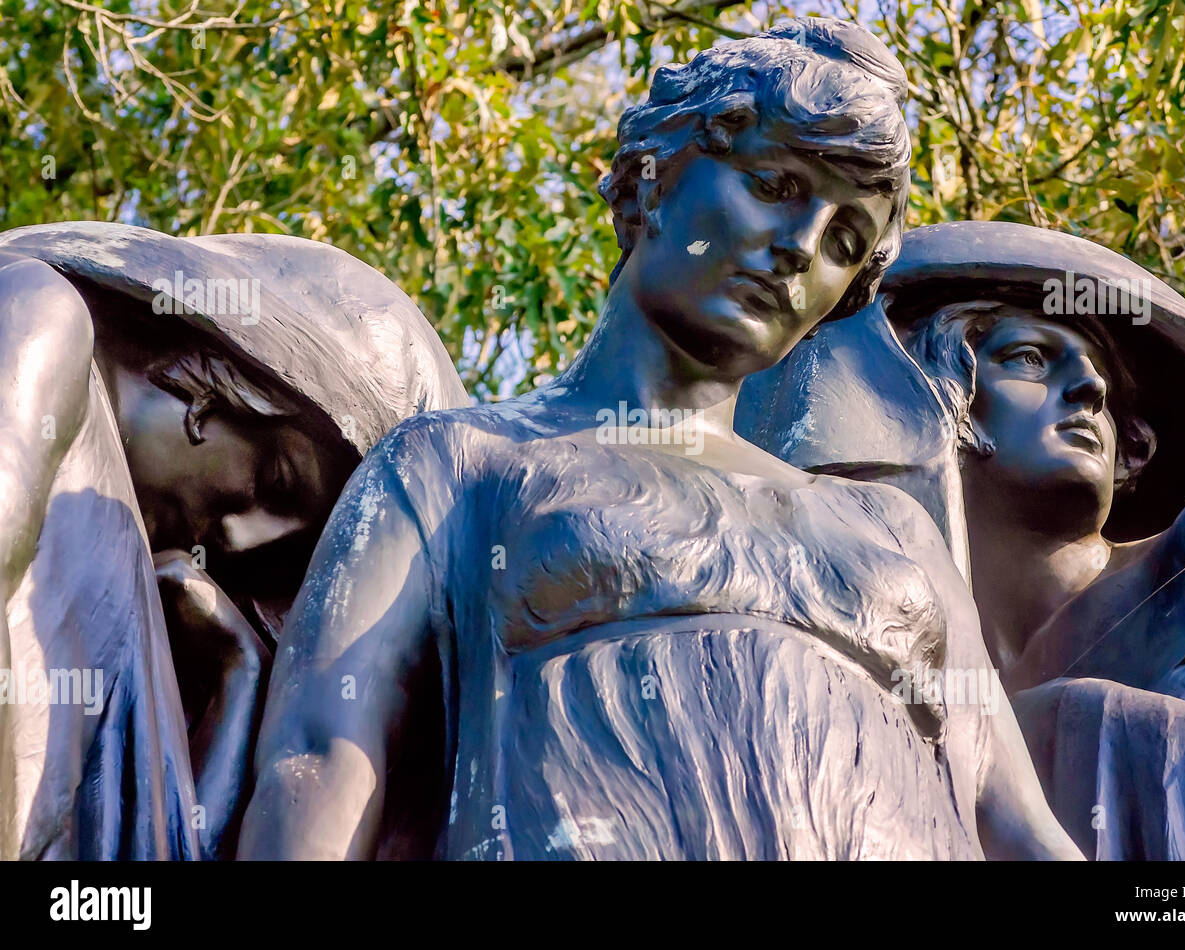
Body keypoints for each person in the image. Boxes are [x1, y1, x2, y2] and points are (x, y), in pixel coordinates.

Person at [239, 18, 1080, 861]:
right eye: (777, 185)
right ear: (650, 183)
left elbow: (1012, 820)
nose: (800, 249)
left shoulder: (892, 530)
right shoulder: (457, 463)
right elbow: (323, 752)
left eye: (845, 242)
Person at [0, 223, 467, 858]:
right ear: (216, 379)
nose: (240, 541)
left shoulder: (139, 608)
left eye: (282, 555)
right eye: (275, 481)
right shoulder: (35, 312)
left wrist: (238, 681)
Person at [888, 221, 1185, 858]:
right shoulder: (898, 653)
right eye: (1029, 357)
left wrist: (1082, 731)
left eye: (1104, 386)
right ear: (942, 402)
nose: (1090, 389)